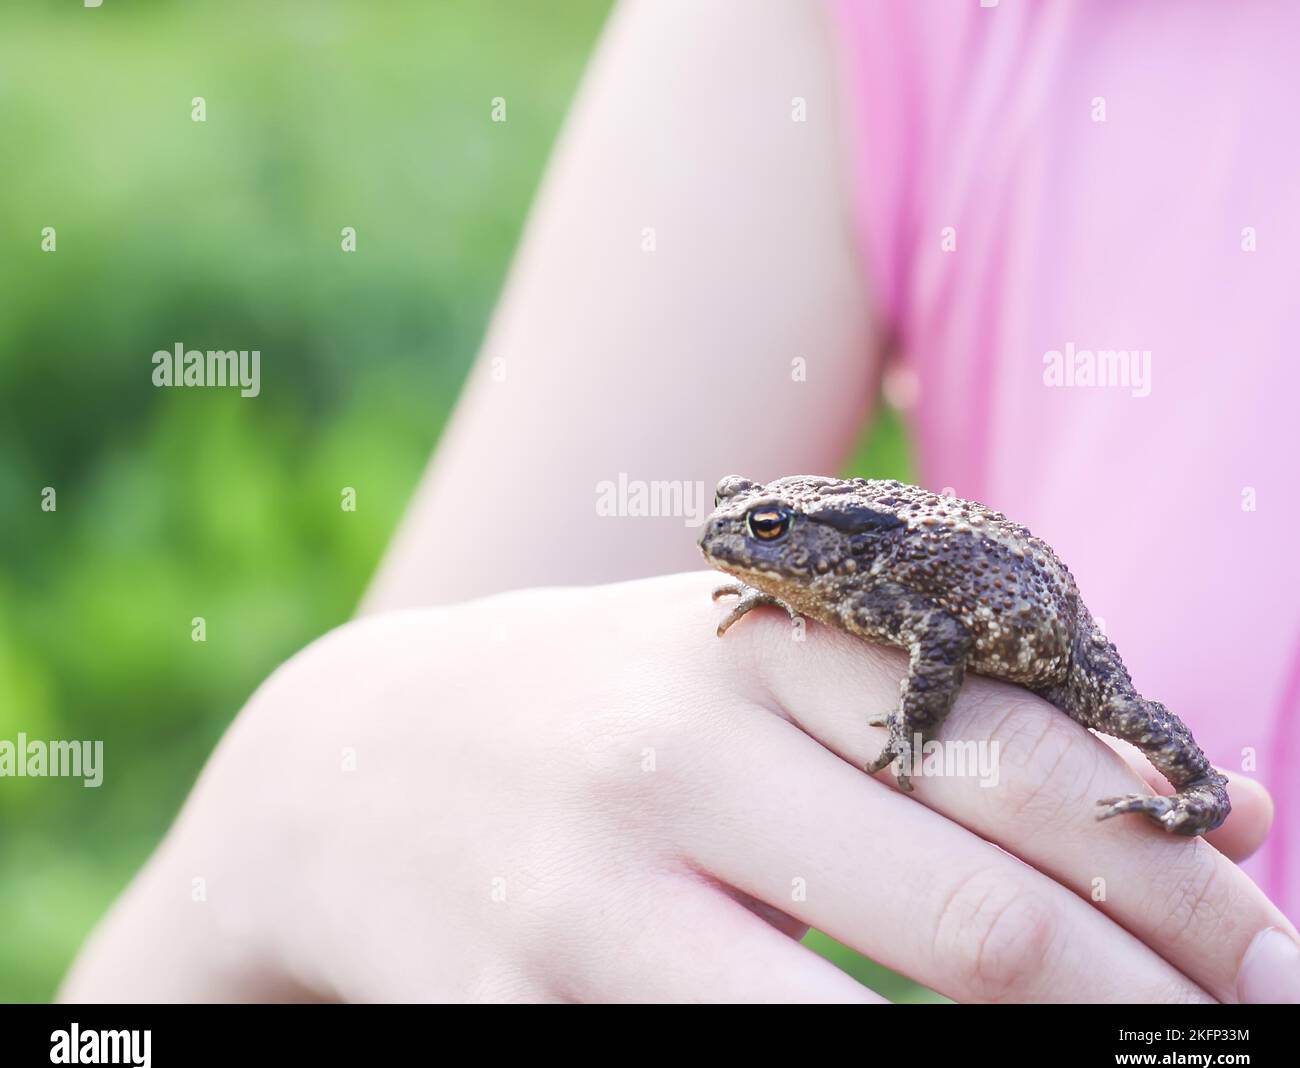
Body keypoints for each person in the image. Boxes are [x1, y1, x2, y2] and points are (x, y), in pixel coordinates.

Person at [61, 0, 1299, 1003]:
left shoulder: (871, 579)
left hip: (1035, 614)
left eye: (764, 536)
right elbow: (413, 787)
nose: (734, 545)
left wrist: (914, 737)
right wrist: (288, 797)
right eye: (743, 528)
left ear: (808, 544)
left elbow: (937, 635)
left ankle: (1189, 793)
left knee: (1123, 708)